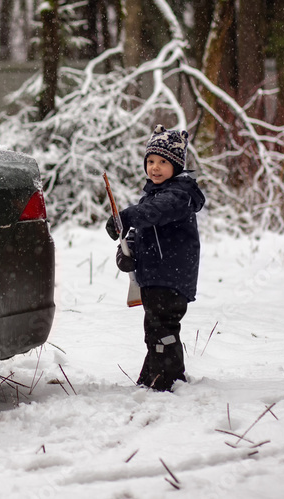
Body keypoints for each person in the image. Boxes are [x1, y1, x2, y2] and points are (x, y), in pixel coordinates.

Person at [106, 124, 205, 392]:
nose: (155, 167)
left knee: (163, 327)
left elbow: (155, 213)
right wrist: (127, 252)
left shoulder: (179, 195)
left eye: (163, 162)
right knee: (155, 328)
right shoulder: (153, 196)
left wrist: (126, 216)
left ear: (177, 166)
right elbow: (142, 231)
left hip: (171, 277)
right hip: (154, 277)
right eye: (150, 161)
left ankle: (168, 379)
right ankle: (153, 376)